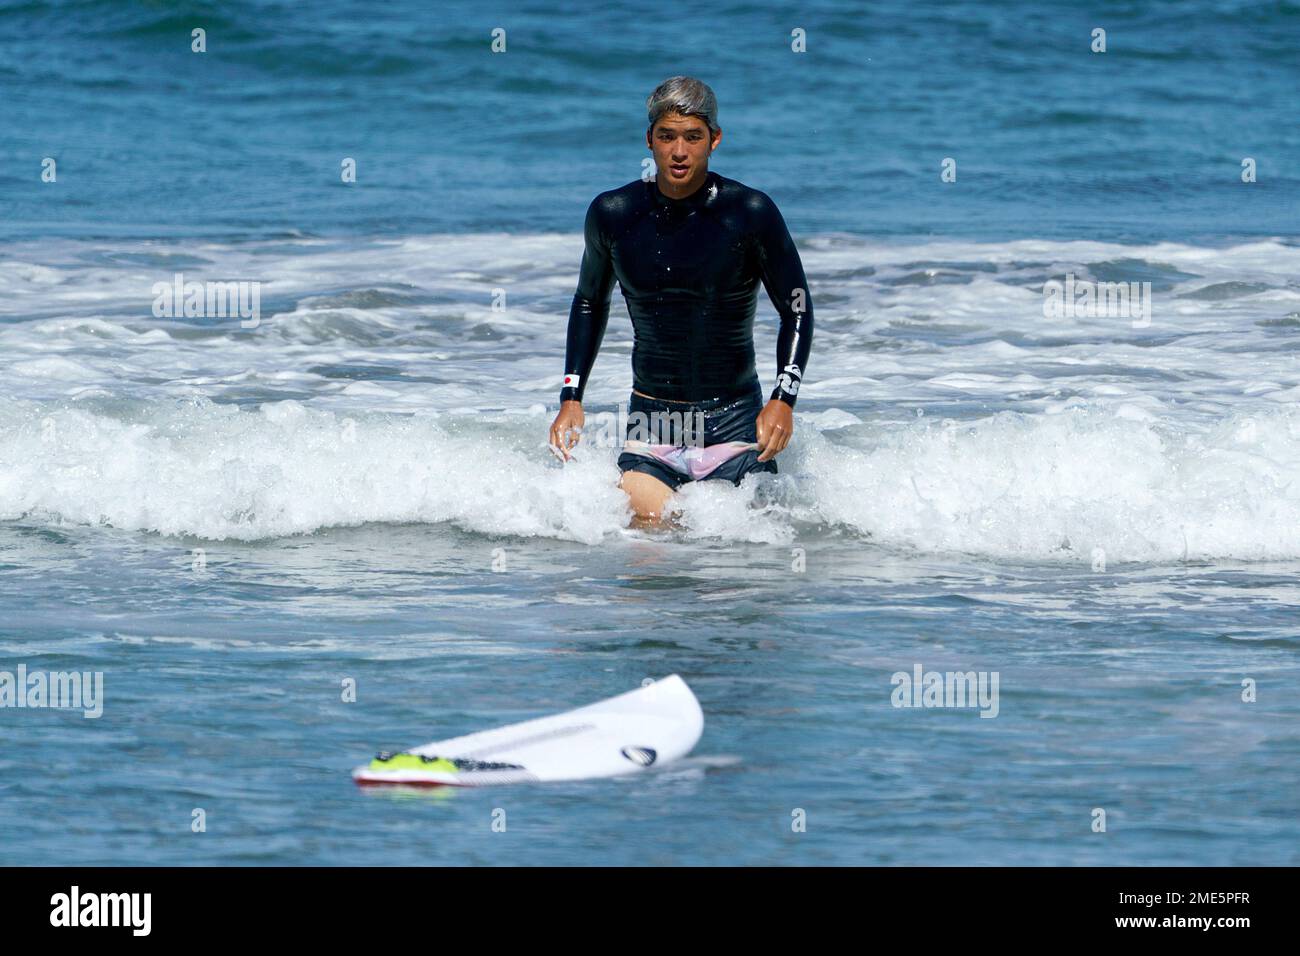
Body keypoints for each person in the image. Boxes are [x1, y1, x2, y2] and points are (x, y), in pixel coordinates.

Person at [548, 76, 813, 525]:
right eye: (667, 136)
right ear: (649, 139)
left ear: (715, 139)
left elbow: (797, 308)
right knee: (650, 543)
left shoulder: (749, 213)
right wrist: (571, 396)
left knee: (745, 545)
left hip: (736, 421)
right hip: (653, 423)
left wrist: (783, 399)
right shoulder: (614, 214)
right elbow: (589, 301)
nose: (679, 151)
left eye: (693, 137)